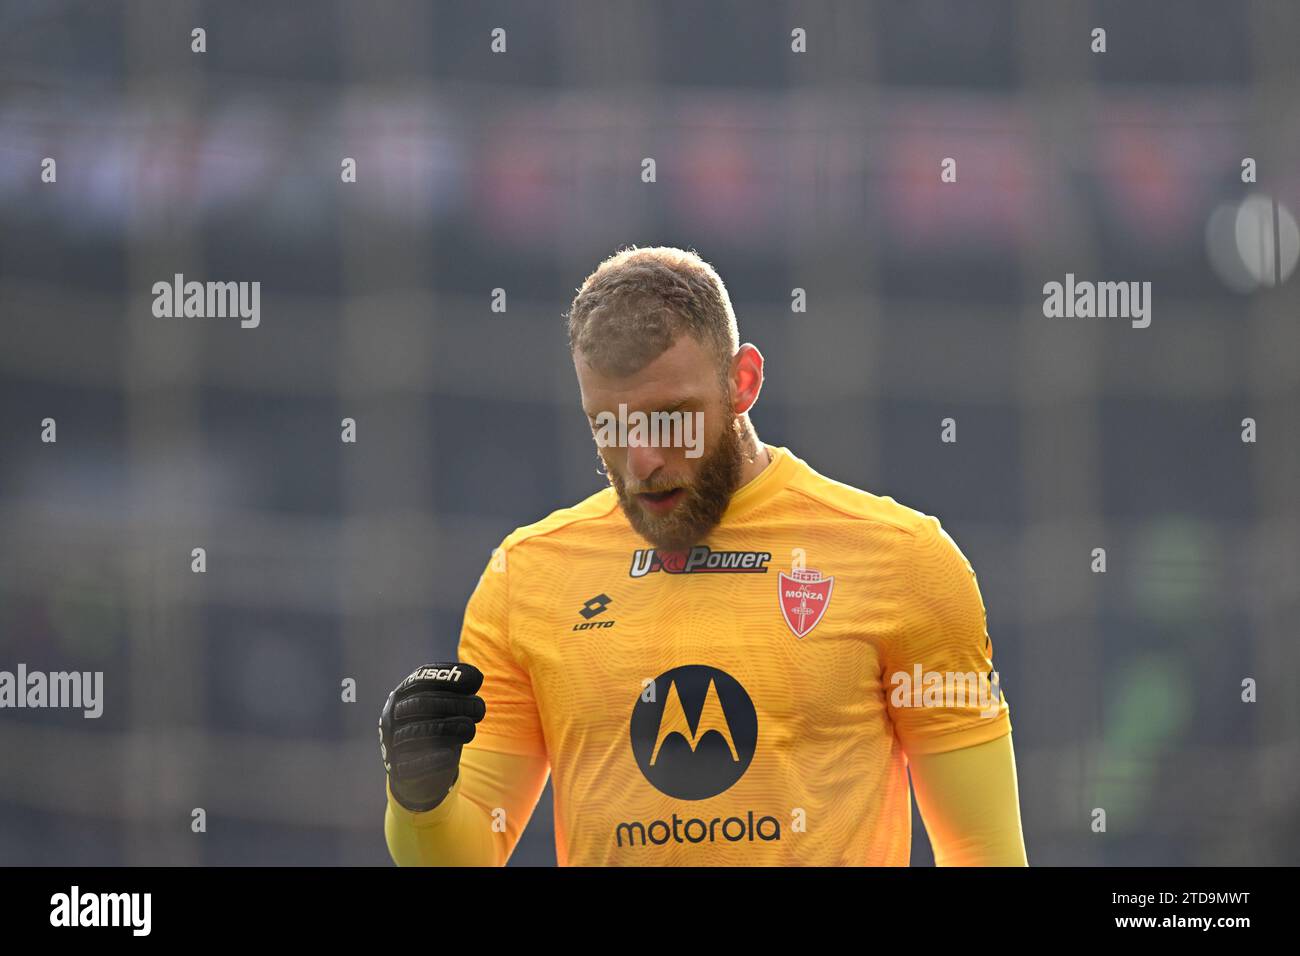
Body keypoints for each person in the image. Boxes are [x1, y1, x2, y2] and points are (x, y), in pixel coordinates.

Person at [380, 246, 1028, 866]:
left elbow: (983, 854)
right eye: (609, 425)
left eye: (672, 418)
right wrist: (420, 799)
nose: (643, 462)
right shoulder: (525, 577)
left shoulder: (905, 561)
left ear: (742, 382)